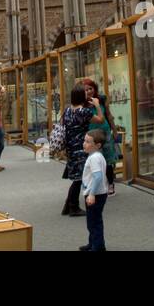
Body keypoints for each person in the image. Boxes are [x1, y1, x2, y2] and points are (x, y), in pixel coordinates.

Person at [60, 85, 96, 215]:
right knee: (79, 178)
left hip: (70, 146)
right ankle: (73, 207)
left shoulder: (67, 111)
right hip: (81, 147)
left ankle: (67, 206)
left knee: (77, 176)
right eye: (85, 92)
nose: (87, 94)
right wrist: (97, 105)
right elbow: (100, 119)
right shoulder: (84, 112)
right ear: (81, 96)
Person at [80, 78, 116, 195]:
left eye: (90, 88)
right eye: (85, 90)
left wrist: (114, 130)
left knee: (108, 160)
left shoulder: (101, 99)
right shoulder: (82, 104)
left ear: (94, 88)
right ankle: (96, 185)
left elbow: (109, 116)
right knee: (94, 159)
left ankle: (110, 184)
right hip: (91, 135)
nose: (88, 91)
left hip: (105, 132)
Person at [79, 128, 110, 251]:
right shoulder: (97, 156)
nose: (84, 144)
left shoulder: (94, 158)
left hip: (95, 194)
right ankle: (93, 243)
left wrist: (91, 194)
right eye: (84, 141)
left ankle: (98, 247)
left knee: (94, 222)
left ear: (97, 145)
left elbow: (98, 177)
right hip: (98, 193)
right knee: (93, 221)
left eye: (88, 142)